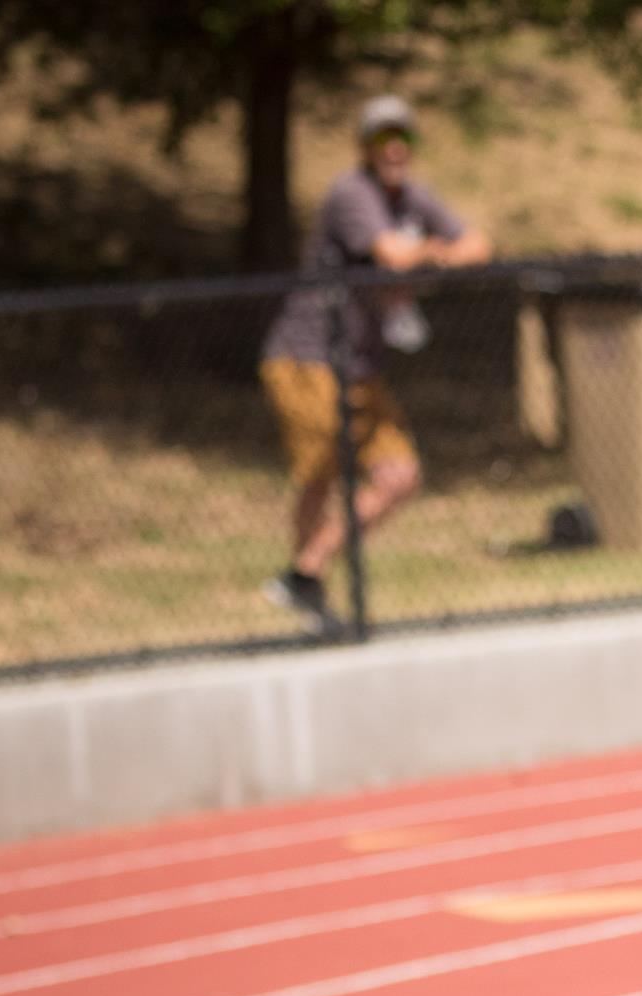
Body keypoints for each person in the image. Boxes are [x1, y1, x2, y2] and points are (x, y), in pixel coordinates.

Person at [258, 94, 492, 633]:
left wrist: (428, 251)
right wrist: (435, 252)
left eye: (402, 137)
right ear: (364, 146)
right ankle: (309, 593)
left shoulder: (413, 197)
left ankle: (305, 572)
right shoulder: (352, 194)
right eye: (383, 137)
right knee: (321, 475)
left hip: (361, 365)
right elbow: (392, 255)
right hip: (308, 357)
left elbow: (478, 245)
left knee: (400, 476)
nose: (394, 148)